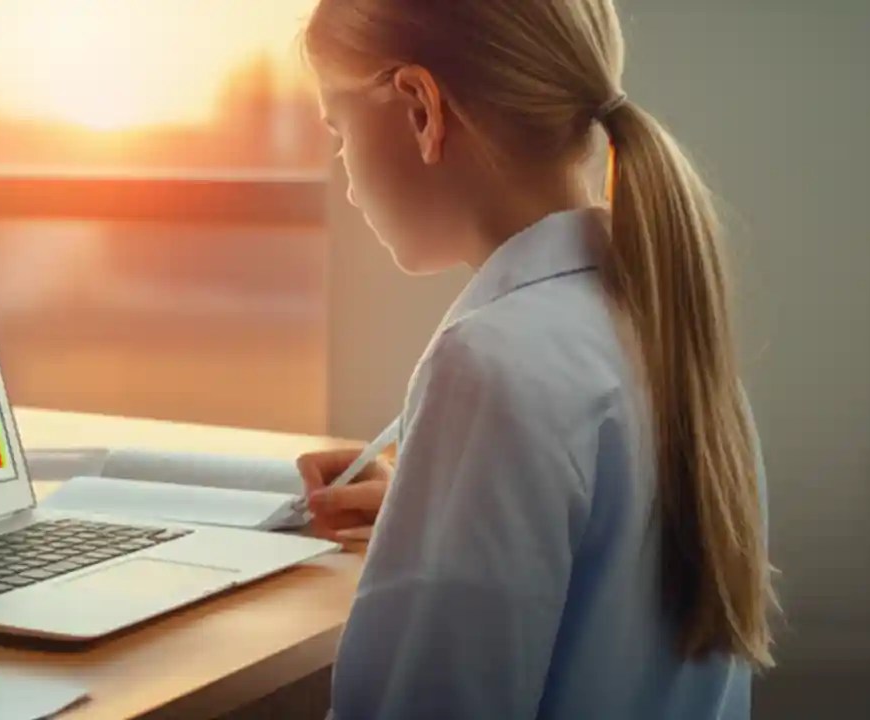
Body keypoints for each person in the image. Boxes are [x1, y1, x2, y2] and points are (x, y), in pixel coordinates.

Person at [294, 1, 778, 717]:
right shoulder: (660, 327)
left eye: (337, 129)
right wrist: (431, 507)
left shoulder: (488, 362)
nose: (343, 167)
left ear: (420, 108)